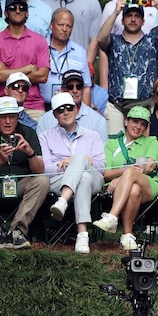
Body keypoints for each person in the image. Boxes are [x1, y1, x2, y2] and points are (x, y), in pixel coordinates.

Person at [0, 96, 49, 250]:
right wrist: (0, 159)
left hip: (20, 183)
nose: (7, 121)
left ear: (18, 117)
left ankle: (17, 231)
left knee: (43, 180)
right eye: (3, 117)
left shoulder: (28, 132)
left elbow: (39, 170)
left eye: (12, 117)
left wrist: (30, 153)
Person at [99, 0, 158, 128]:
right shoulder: (114, 41)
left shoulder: (152, 40)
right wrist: (115, 12)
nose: (133, 19)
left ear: (143, 21)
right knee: (115, 145)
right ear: (122, 20)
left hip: (145, 104)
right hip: (117, 105)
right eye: (129, 15)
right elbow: (101, 38)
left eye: (137, 16)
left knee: (142, 146)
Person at [41, 92, 106, 254]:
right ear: (55, 115)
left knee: (81, 161)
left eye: (69, 108)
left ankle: (62, 201)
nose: (66, 112)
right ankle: (82, 235)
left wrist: (75, 160)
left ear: (76, 110)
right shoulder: (45, 137)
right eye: (60, 110)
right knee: (81, 175)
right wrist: (70, 165)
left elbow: (100, 167)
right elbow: (44, 168)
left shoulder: (93, 136)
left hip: (94, 179)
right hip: (58, 179)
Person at [102, 106, 158, 251]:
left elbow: (149, 168)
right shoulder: (112, 143)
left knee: (130, 174)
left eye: (143, 124)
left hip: (148, 183)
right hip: (118, 187)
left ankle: (112, 216)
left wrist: (124, 176)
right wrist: (124, 173)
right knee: (133, 189)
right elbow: (106, 174)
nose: (138, 127)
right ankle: (127, 234)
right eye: (135, 121)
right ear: (126, 121)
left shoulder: (151, 141)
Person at [0, 0, 50, 117]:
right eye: (12, 8)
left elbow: (42, 76)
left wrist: (6, 71)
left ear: (27, 13)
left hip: (33, 105)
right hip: (2, 103)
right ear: (5, 13)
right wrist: (27, 69)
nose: (17, 10)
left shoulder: (39, 40)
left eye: (22, 8)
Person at [43, 9, 93, 109]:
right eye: (61, 25)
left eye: (68, 26)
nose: (64, 29)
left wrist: (85, 114)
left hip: (70, 110)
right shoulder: (40, 48)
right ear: (51, 25)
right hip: (43, 107)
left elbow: (86, 87)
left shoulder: (80, 52)